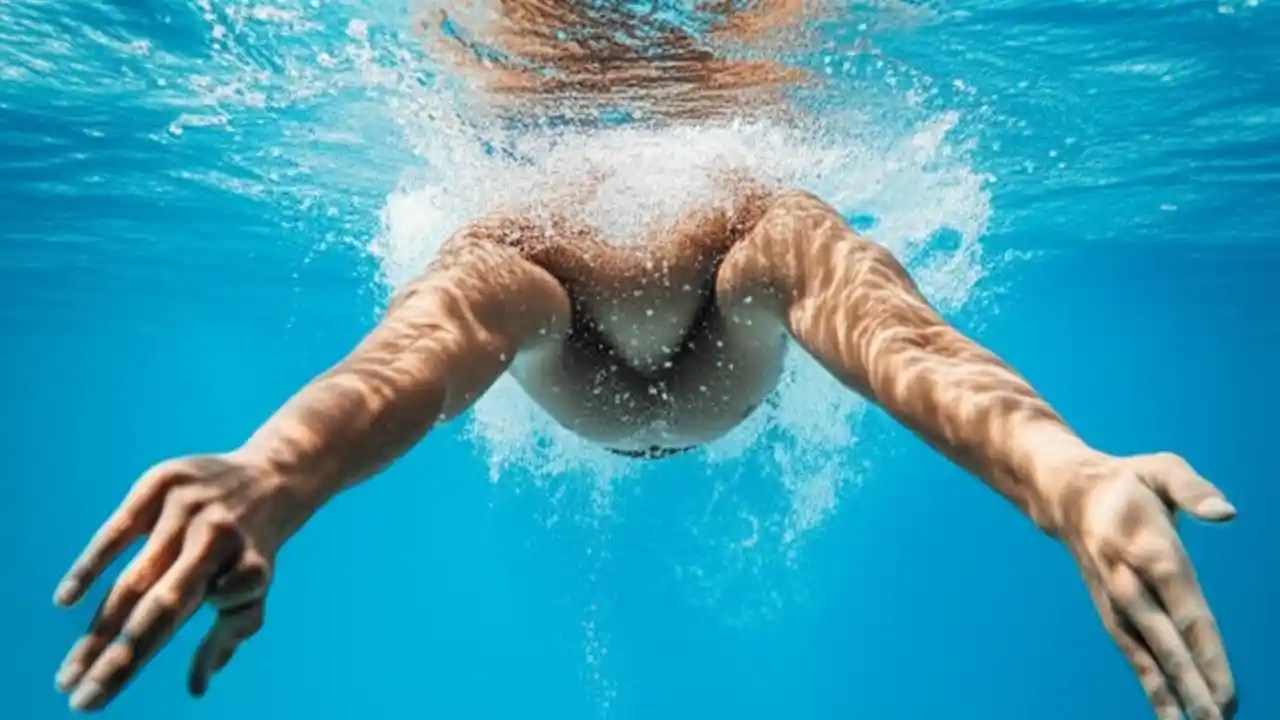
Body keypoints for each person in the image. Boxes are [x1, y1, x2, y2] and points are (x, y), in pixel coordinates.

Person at [53, 3, 1238, 718]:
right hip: (664, 289)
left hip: (623, 292)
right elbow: (890, 337)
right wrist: (1060, 468)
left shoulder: (549, 252)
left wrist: (276, 477)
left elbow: (427, 350)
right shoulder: (653, 243)